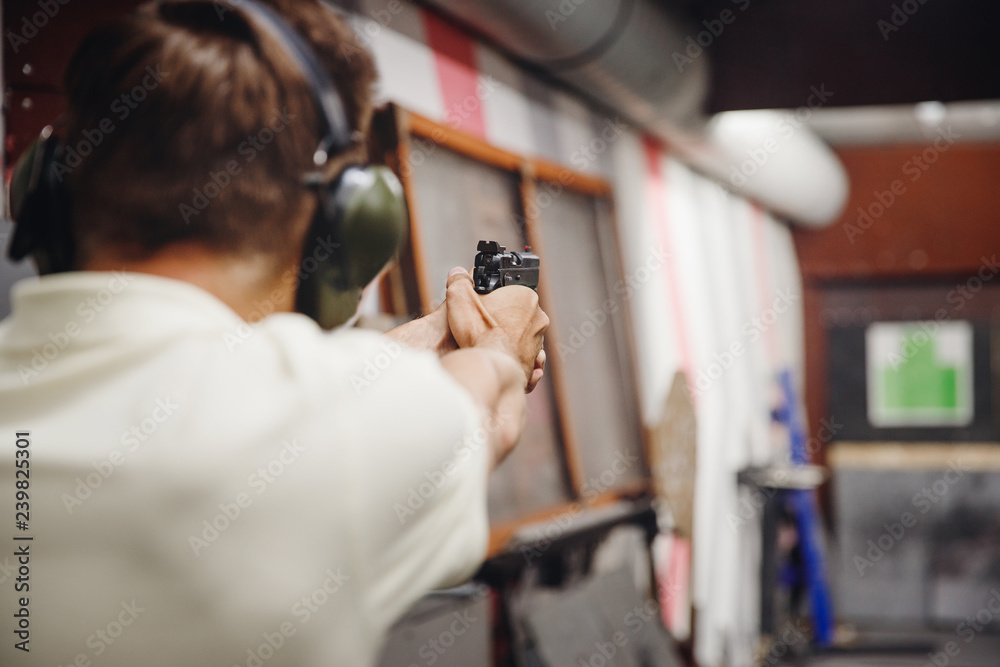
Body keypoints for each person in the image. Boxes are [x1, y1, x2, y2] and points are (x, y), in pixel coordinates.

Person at [0, 1, 547, 665]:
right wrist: (499, 346)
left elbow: (260, 391)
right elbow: (484, 413)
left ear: (45, 193)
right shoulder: (341, 435)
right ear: (344, 226)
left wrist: (425, 342)